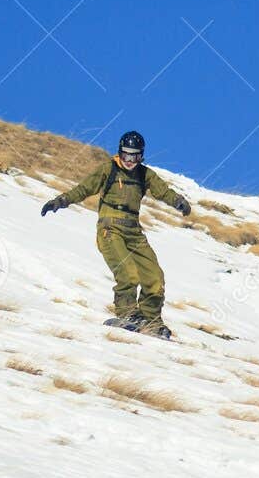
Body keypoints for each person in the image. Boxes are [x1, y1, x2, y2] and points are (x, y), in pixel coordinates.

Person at [41, 130, 192, 338]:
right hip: (110, 228)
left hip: (134, 230)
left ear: (141, 156)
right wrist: (60, 201)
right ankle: (128, 313)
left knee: (155, 277)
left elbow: (163, 190)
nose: (130, 161)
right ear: (119, 153)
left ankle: (150, 319)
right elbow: (83, 189)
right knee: (128, 273)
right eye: (126, 155)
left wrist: (178, 201)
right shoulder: (108, 170)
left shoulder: (144, 174)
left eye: (135, 156)